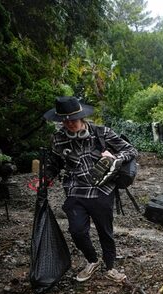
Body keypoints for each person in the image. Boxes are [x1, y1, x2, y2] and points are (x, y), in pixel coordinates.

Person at [43, 96, 138, 283]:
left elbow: (131, 150)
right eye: (65, 121)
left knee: (105, 231)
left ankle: (110, 267)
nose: (70, 124)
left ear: (82, 117)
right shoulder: (58, 139)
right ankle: (92, 260)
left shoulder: (102, 133)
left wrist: (115, 158)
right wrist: (45, 179)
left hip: (102, 190)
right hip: (75, 190)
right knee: (77, 231)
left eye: (73, 119)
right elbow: (54, 163)